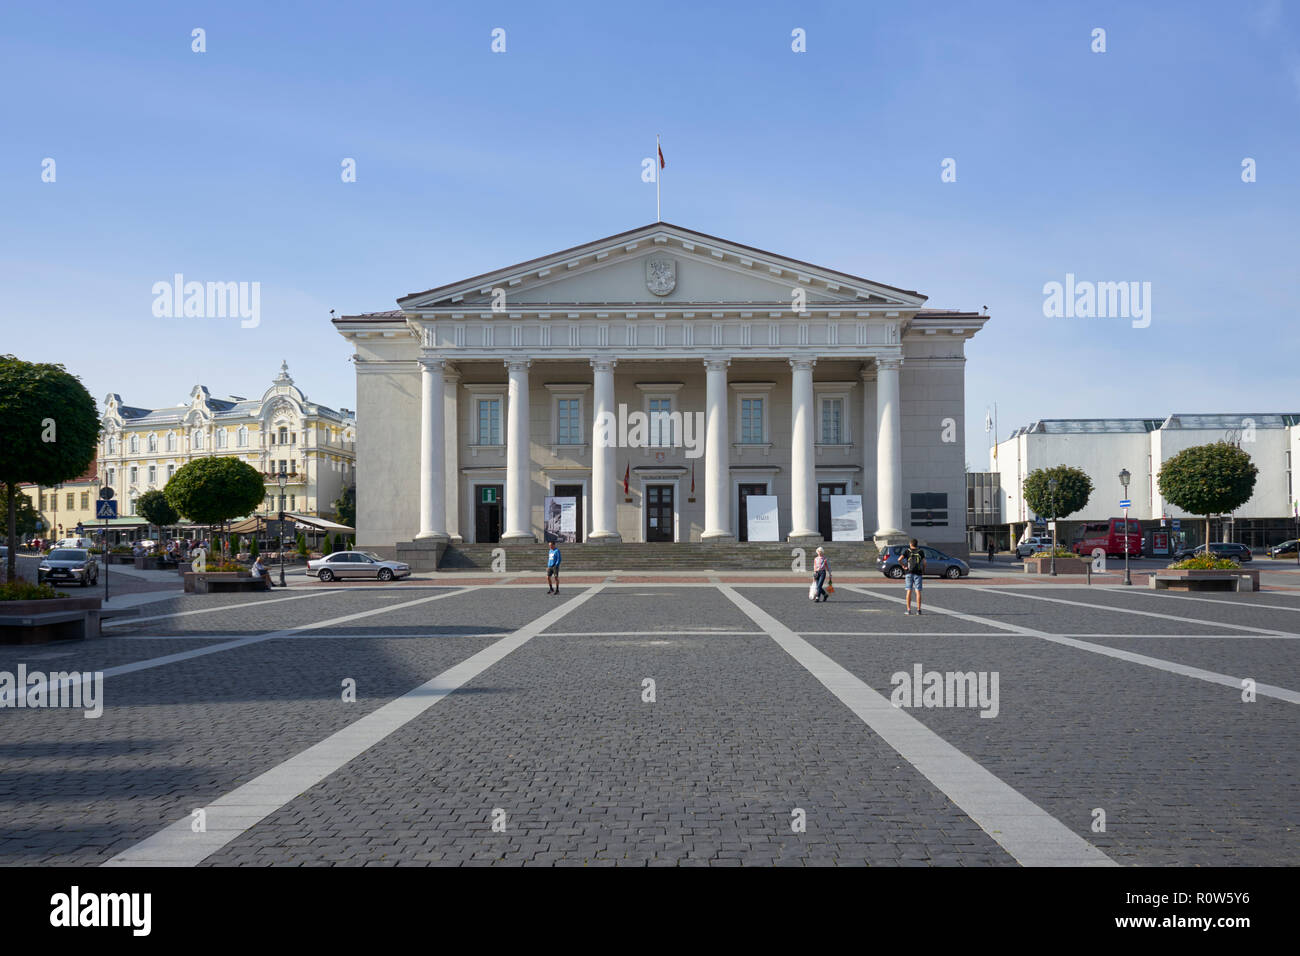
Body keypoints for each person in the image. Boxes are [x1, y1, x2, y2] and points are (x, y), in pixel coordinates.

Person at [902, 538, 926, 614]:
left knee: (909, 590)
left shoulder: (907, 551)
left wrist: (903, 566)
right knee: (918, 591)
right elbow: (925, 563)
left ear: (910, 544)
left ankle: (908, 610)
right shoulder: (921, 551)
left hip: (909, 573)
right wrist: (923, 570)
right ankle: (918, 610)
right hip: (918, 573)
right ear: (916, 544)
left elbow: (899, 559)